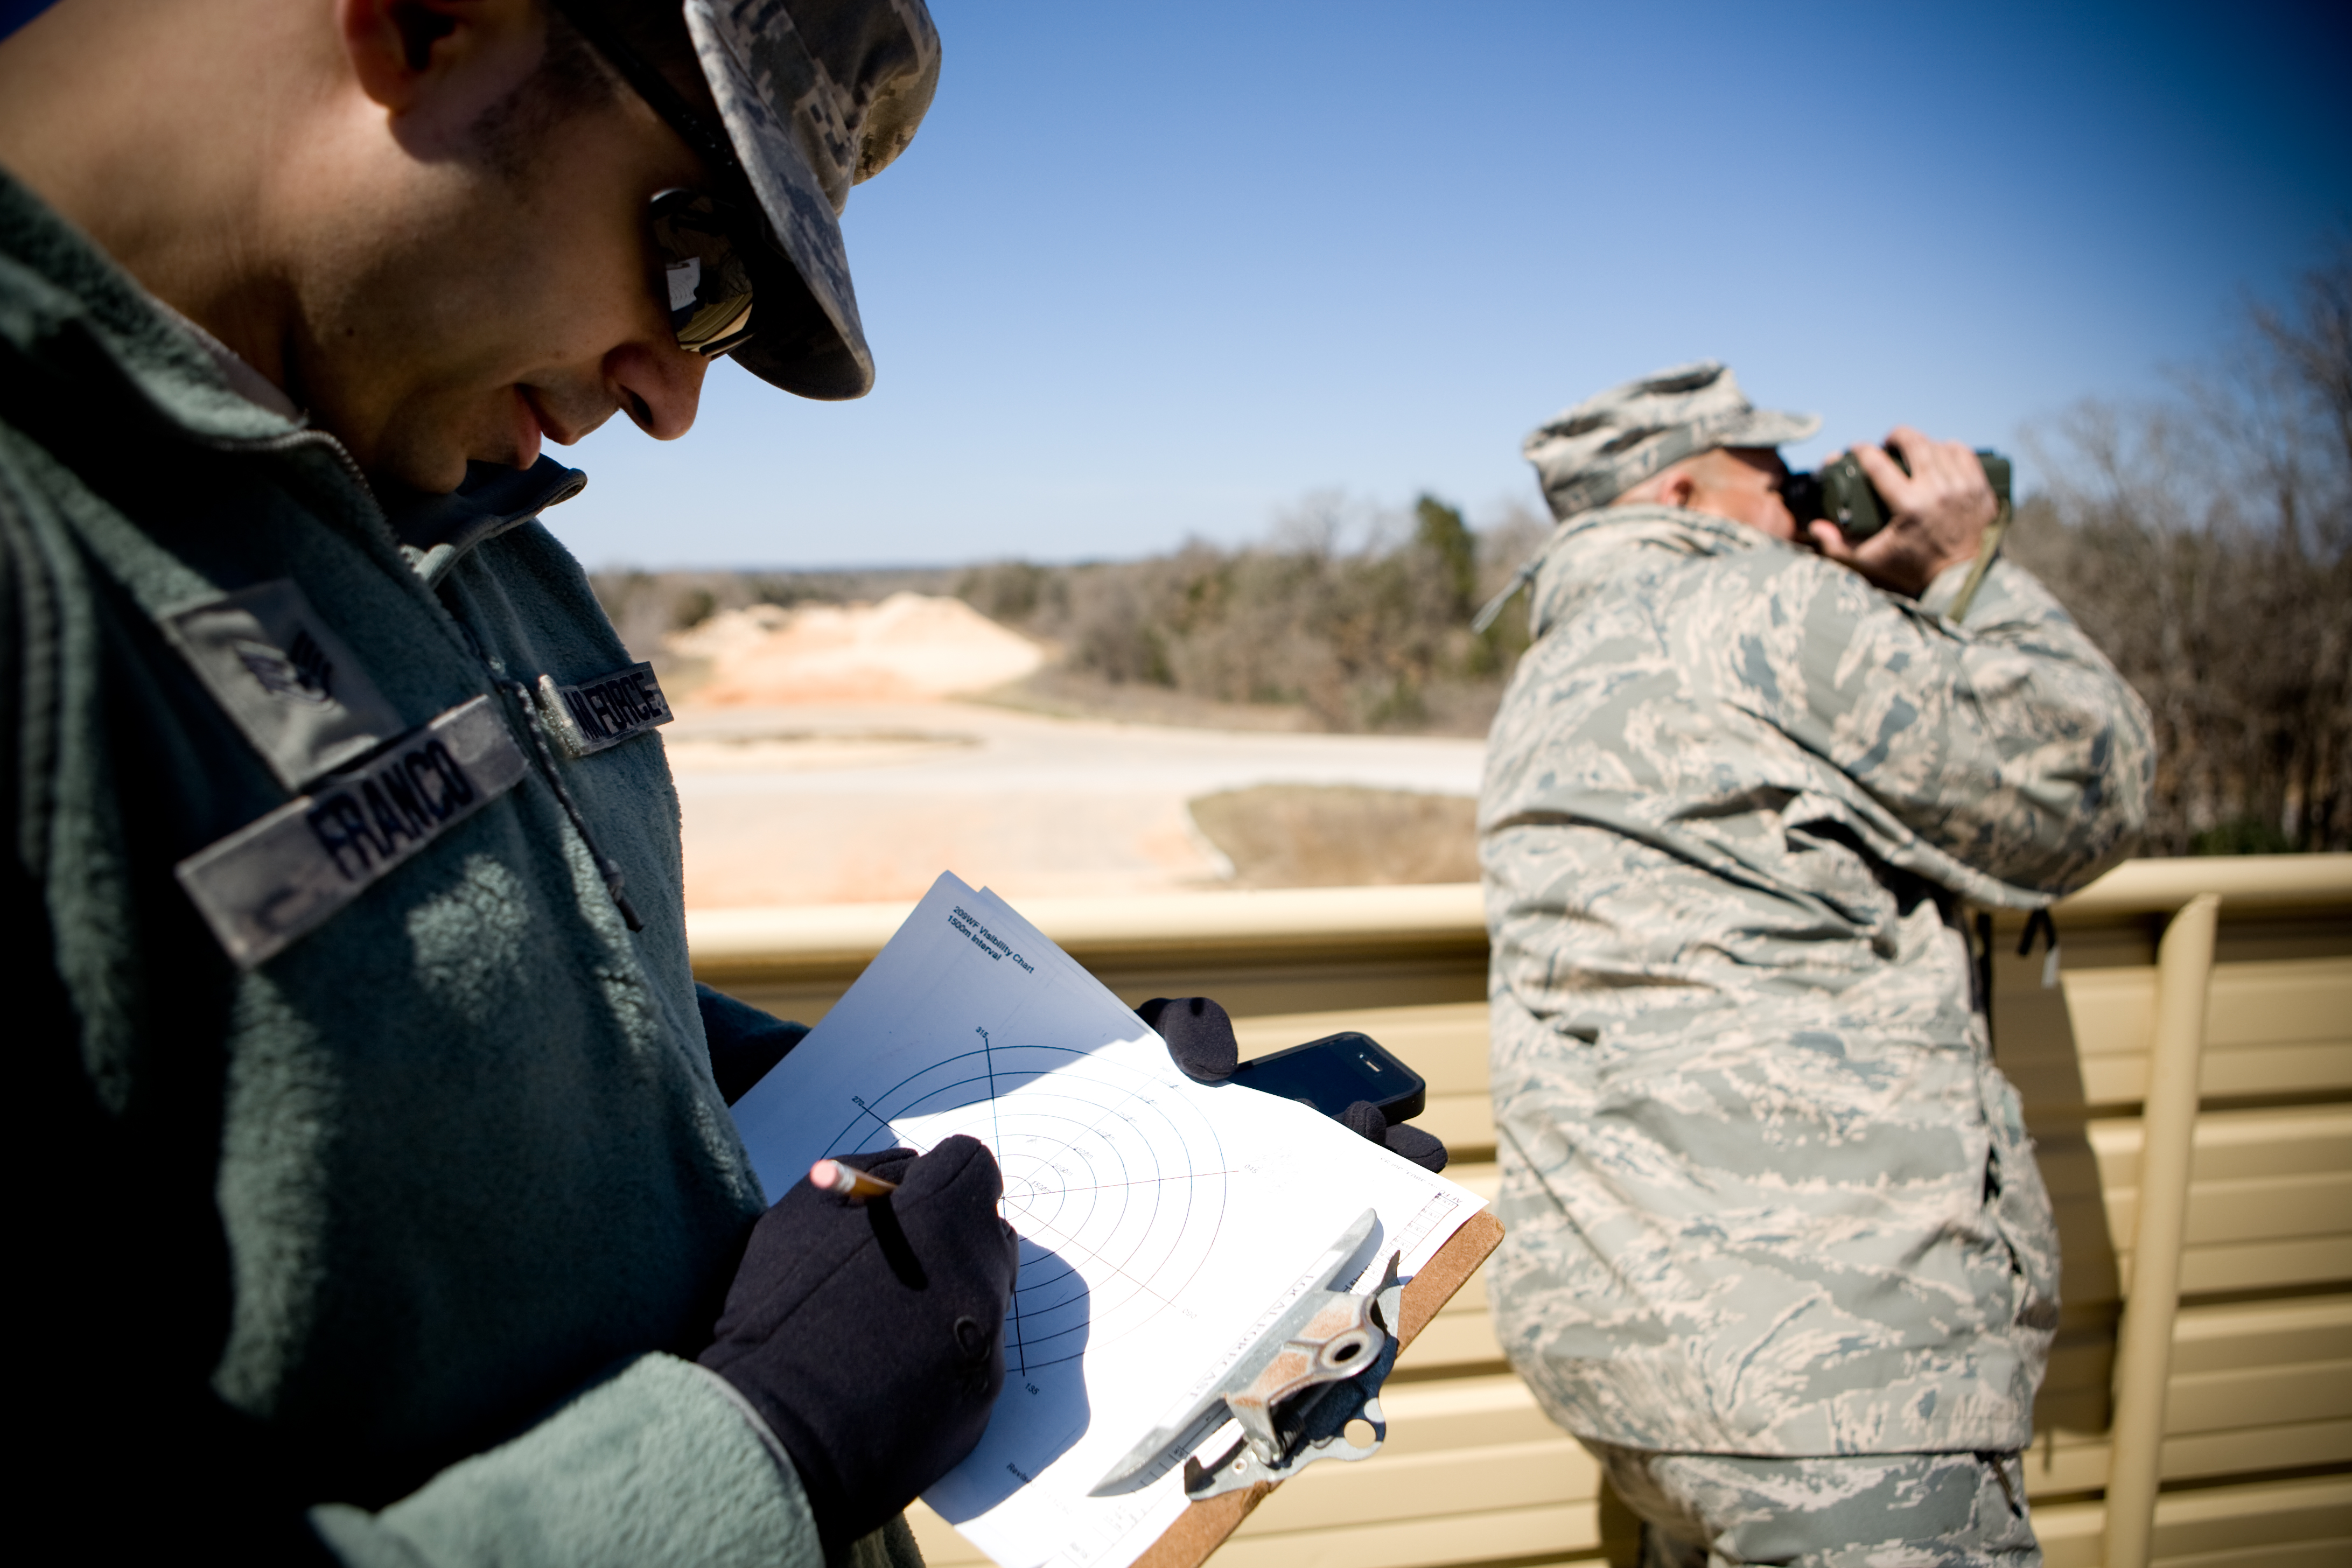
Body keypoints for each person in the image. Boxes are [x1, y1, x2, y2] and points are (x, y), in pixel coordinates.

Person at [2, 1, 1007, 1563]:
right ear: (432, 21)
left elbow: (531, 1012)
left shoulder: (474, 517)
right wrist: (766, 1451)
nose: (676, 398)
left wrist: (1022, 1109)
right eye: (699, 263)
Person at [1479, 361, 2153, 1566]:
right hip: (1841, 1384)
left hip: (1626, 1369)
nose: (1803, 505)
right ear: (1684, 493)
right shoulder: (1763, 614)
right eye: (1777, 479)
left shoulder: (1546, 676)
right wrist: (1960, 567)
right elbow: (2087, 786)